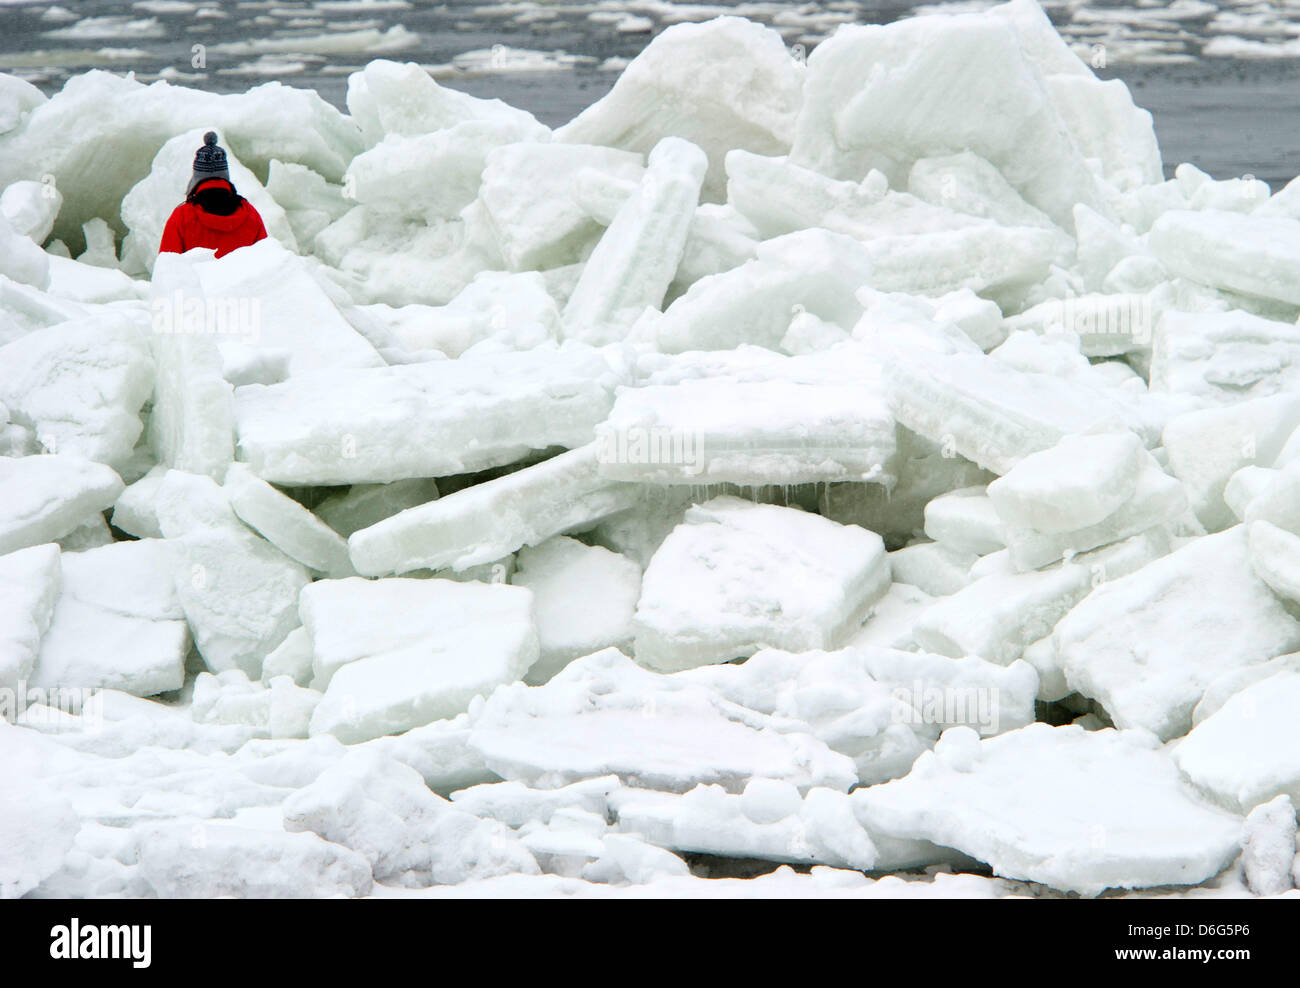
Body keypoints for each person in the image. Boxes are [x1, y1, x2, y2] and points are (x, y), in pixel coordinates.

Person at [158, 131, 267, 258]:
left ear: (196, 178)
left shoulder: (182, 217)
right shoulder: (249, 214)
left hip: (196, 278)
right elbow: (265, 262)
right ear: (226, 176)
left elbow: (168, 267)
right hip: (245, 278)